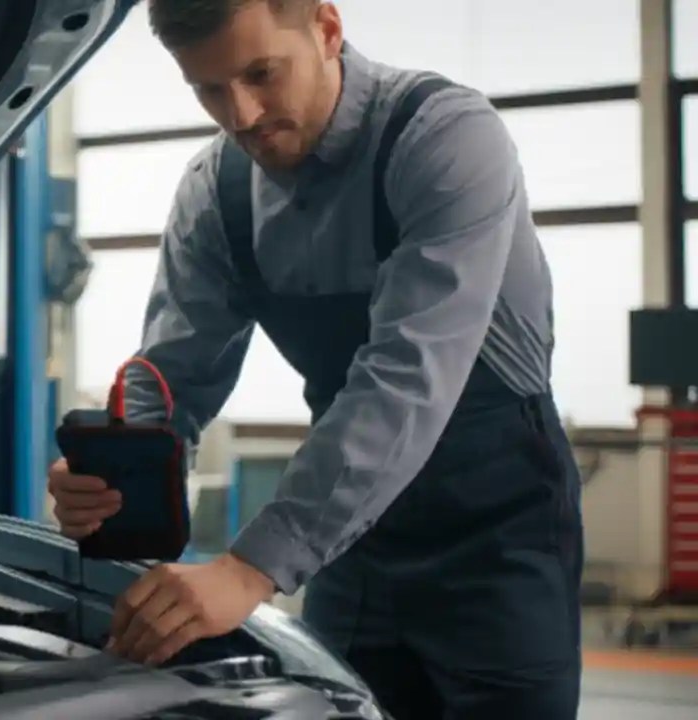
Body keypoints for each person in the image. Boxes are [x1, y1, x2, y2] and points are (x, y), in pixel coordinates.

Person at [45, 1, 584, 717]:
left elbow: (407, 377)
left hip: (499, 536)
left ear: (327, 29)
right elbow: (171, 373)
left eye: (261, 73)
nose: (239, 114)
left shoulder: (446, 138)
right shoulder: (216, 192)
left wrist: (251, 568)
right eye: (208, 90)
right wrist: (117, 473)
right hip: (352, 546)